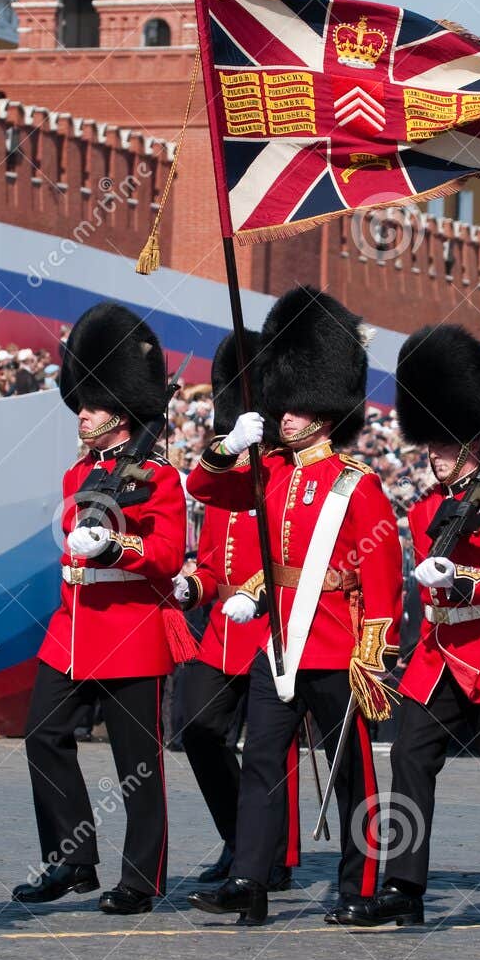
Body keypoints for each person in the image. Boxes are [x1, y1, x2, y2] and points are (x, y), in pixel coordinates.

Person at [187, 287, 402, 928]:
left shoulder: (356, 483)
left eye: (297, 408)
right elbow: (204, 486)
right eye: (284, 406)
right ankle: (250, 880)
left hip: (336, 644)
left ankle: (360, 887)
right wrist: (230, 444)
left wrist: (373, 649)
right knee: (260, 763)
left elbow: (383, 573)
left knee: (352, 775)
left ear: (325, 412)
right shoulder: (271, 470)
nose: (285, 418)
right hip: (278, 642)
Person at [362, 325, 480, 935]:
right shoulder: (423, 510)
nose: (432, 454)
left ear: (473, 444)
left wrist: (466, 577)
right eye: (429, 443)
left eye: (444, 444)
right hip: (440, 652)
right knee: (409, 760)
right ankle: (404, 885)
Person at [12, 302, 190, 916]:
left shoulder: (160, 478)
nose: (81, 412)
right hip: (72, 630)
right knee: (42, 735)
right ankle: (71, 858)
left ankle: (141, 878)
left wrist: (117, 543)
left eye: (91, 403)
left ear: (118, 410)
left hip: (130, 631)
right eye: (80, 400)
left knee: (136, 766)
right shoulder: (74, 475)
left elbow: (168, 554)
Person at [174, 332, 299, 889]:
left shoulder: (284, 473)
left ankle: (271, 856)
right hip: (222, 634)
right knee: (198, 729)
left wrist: (258, 595)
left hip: (270, 625)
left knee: (271, 748)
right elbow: (208, 563)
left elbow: (295, 563)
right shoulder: (228, 478)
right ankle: (237, 836)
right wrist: (191, 589)